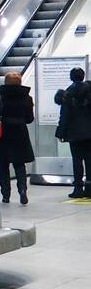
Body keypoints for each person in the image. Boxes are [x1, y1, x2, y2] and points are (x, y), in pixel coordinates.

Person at [0, 71, 34, 204]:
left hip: (3, 132)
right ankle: (22, 190)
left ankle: (5, 195)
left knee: (3, 164)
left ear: (5, 82)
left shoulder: (0, 95)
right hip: (20, 132)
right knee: (19, 163)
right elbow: (29, 119)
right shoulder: (27, 98)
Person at [54, 66, 91, 198]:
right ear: (83, 76)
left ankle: (78, 189)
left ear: (71, 77)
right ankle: (90, 188)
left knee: (77, 160)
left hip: (74, 134)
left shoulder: (67, 94)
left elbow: (64, 116)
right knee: (90, 160)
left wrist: (60, 133)